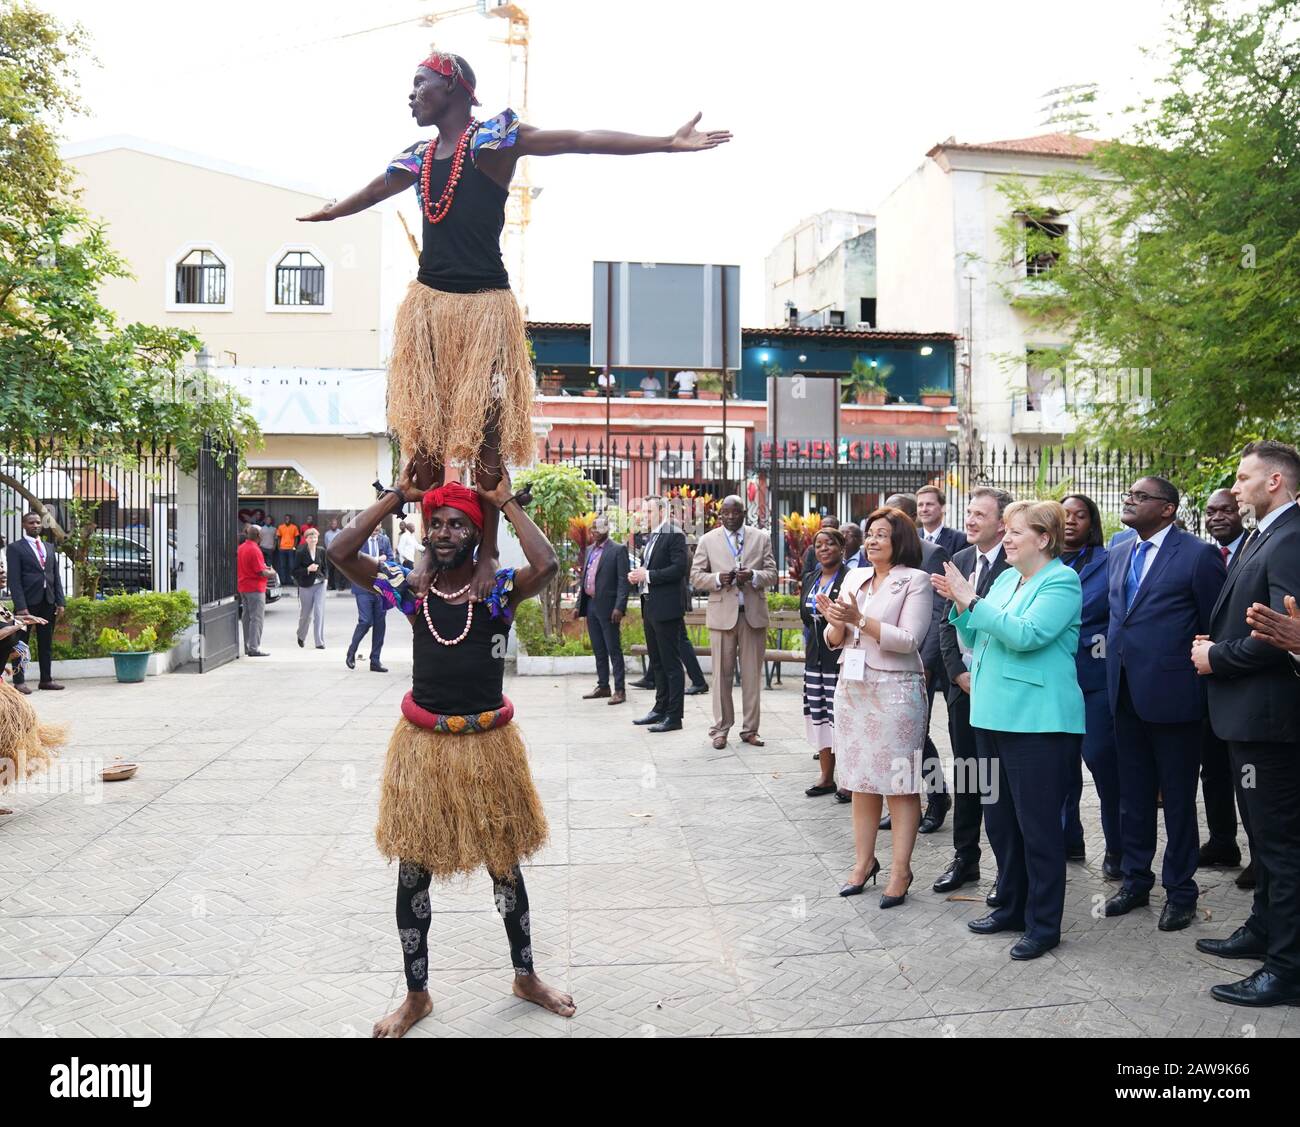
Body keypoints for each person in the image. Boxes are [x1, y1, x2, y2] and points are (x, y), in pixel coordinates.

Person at [304, 52, 729, 604]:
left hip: (484, 310)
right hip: (429, 308)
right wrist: (336, 212)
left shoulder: (496, 139)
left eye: (420, 84)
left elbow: (580, 137)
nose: (411, 94)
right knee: (426, 449)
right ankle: (430, 558)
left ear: (453, 88)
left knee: (484, 439)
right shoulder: (417, 157)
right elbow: (371, 192)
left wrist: (665, 142)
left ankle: (488, 555)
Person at [328, 464, 573, 1035]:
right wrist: (396, 498)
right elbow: (340, 551)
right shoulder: (411, 590)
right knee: (412, 875)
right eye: (433, 523)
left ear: (474, 532)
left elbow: (549, 565)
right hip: (424, 751)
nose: (441, 532)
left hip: (490, 750)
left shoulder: (496, 593)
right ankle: (416, 995)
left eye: (455, 525)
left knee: (506, 871)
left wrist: (504, 505)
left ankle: (525, 975)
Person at [935, 500, 1084, 960]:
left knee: (1037, 827)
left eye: (1017, 531)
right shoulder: (1004, 577)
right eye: (1008, 530)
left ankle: (1044, 923)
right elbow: (980, 635)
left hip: (1037, 722)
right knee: (1000, 822)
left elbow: (1026, 634)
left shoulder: (1062, 580)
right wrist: (961, 608)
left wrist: (970, 601)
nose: (1008, 538)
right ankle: (1012, 906)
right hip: (990, 716)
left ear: (1044, 538)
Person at [1194, 441, 1300, 1007]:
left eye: (1243, 478)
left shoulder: (1292, 537)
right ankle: (1264, 931)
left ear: (1276, 482)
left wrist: (1218, 656)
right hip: (1244, 719)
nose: (1234, 489)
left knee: (1280, 846)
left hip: (1270, 721)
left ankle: (1287, 969)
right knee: (1262, 839)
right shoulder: (1264, 534)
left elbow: (1286, 635)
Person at [1104, 476, 1225, 933]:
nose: (1129, 501)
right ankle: (1135, 881)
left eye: (1140, 497)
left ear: (1168, 509)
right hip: (1124, 692)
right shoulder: (1118, 551)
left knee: (1176, 799)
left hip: (1174, 696)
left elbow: (1215, 622)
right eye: (1128, 495)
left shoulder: (1197, 555)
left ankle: (1181, 891)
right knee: (1132, 797)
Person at [821, 507, 932, 908]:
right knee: (859, 779)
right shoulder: (854, 576)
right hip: (853, 689)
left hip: (896, 691)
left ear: (899, 540)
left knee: (899, 783)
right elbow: (838, 637)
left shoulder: (914, 581)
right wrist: (834, 620)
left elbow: (908, 640)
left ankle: (901, 870)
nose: (870, 541)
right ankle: (863, 863)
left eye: (880, 535)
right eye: (868, 534)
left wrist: (858, 618)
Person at [932, 487, 1013, 896]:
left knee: (997, 778)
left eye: (980, 514)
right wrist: (957, 673)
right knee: (966, 772)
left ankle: (1007, 869)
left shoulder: (1015, 565)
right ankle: (965, 857)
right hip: (963, 686)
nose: (970, 519)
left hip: (999, 686)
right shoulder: (959, 560)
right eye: (968, 512)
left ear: (1002, 523)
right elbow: (946, 623)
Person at [881, 493, 951, 834]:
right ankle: (900, 800)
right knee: (898, 735)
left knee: (917, 735)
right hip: (885, 661)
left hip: (919, 660)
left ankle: (937, 797)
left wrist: (926, 663)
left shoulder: (931, 554)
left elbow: (939, 613)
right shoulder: (881, 557)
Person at [1059, 493, 1120, 877]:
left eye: (1079, 515)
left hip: (1096, 679)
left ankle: (1118, 848)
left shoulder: (1108, 561)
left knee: (1103, 764)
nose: (1071, 521)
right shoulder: (1041, 564)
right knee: (1061, 767)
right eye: (1064, 515)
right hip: (1055, 681)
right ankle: (1069, 840)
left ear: (1091, 522)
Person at [691, 495, 778, 749]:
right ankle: (720, 729)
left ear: (744, 514)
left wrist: (753, 576)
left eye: (735, 513)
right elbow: (696, 576)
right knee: (721, 677)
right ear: (720, 516)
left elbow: (772, 574)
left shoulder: (761, 538)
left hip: (752, 616)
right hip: (721, 617)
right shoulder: (708, 540)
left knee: (752, 676)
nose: (730, 517)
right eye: (725, 514)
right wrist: (718, 578)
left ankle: (750, 730)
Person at [1198, 488, 1249, 876]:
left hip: (1247, 678)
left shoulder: (1257, 548)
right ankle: (1222, 842)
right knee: (1213, 768)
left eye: (1225, 510)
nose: (1217, 517)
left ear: (1240, 512)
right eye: (1211, 511)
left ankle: (1261, 857)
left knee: (1248, 775)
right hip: (1207, 678)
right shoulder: (1203, 556)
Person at [629, 499, 689, 733]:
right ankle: (659, 709)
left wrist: (648, 574)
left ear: (662, 512)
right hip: (650, 606)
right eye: (643, 511)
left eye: (649, 511)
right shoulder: (652, 536)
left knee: (671, 664)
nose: (644, 515)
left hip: (667, 608)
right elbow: (649, 570)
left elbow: (679, 569)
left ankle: (674, 716)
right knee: (657, 663)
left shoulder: (674, 535)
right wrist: (637, 576)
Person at [800, 528, 849, 797]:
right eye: (818, 544)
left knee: (840, 717)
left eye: (830, 543)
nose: (824, 548)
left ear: (842, 548)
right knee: (818, 715)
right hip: (814, 658)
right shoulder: (811, 577)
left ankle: (849, 780)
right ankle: (826, 777)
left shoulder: (851, 578)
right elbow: (806, 617)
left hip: (838, 659)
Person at [5, 512, 66, 692]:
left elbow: (55, 576)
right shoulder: (15, 548)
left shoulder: (48, 547)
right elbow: (14, 580)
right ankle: (19, 681)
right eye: (31, 522)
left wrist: (60, 601)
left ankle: (46, 680)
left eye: (38, 522)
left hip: (48, 602)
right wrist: (21, 607)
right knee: (21, 644)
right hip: (27, 605)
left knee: (46, 643)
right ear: (24, 525)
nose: (35, 525)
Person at [575, 515, 630, 705]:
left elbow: (624, 582)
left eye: (597, 528)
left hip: (608, 608)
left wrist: (619, 607)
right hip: (590, 605)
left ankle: (620, 690)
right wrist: (577, 605)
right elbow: (585, 579)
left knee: (613, 648)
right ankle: (603, 686)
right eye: (593, 528)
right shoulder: (590, 549)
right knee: (598, 648)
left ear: (606, 529)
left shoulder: (618, 550)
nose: (593, 531)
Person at [347, 525, 395, 672]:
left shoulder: (384, 540)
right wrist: (377, 560)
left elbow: (391, 559)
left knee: (380, 625)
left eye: (378, 526)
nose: (376, 529)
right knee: (365, 621)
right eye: (373, 526)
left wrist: (386, 562)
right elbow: (356, 561)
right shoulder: (359, 541)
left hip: (381, 588)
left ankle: (375, 660)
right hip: (362, 587)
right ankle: (351, 652)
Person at [236, 524, 275, 657]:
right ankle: (254, 647)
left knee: (246, 617)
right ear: (259, 536)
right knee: (256, 618)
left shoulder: (241, 548)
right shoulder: (255, 549)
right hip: (255, 588)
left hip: (243, 586)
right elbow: (261, 572)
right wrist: (272, 572)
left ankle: (248, 646)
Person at [293, 527, 329, 649]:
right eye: (311, 537)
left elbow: (325, 567)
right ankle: (301, 635)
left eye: (315, 537)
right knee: (306, 614)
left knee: (319, 612)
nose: (313, 539)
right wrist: (307, 569)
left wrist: (326, 579)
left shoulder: (322, 551)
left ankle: (319, 642)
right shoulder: (300, 552)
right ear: (306, 539)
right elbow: (294, 571)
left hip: (320, 584)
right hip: (306, 586)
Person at [916, 485, 969, 556]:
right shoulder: (911, 537)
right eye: (920, 505)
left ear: (943, 508)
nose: (924, 509)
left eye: (929, 504)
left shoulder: (960, 539)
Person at [275, 514, 300, 587]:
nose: (287, 519)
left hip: (291, 549)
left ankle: (291, 581)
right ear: (284, 519)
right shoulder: (280, 527)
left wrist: (294, 546)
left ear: (290, 519)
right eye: (286, 518)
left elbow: (296, 538)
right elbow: (279, 537)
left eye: (288, 518)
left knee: (291, 566)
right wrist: (278, 546)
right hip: (282, 549)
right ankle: (283, 581)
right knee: (282, 566)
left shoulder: (294, 527)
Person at [323, 518, 346, 591]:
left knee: (341, 571)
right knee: (330, 571)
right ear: (330, 525)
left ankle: (341, 586)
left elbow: (343, 543)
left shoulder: (341, 532)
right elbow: (326, 544)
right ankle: (331, 586)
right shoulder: (327, 534)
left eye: (335, 524)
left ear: (337, 525)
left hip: (339, 554)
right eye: (332, 524)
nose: (333, 525)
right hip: (330, 554)